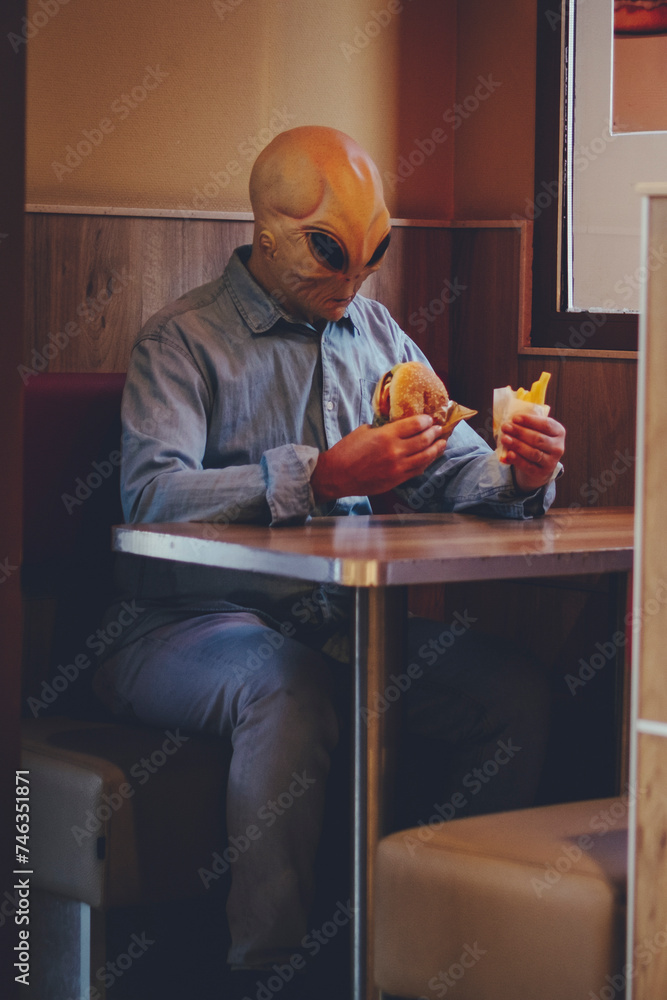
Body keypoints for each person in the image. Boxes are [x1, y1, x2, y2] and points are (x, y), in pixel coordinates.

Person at [93, 126, 565, 1000]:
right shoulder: (182, 340)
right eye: (328, 254)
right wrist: (319, 477)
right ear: (269, 234)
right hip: (182, 626)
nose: (351, 286)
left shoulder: (376, 333)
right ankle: (265, 970)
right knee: (289, 685)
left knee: (512, 691)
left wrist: (519, 474)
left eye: (371, 256)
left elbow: (450, 469)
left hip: (341, 621)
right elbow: (151, 499)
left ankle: (447, 945)